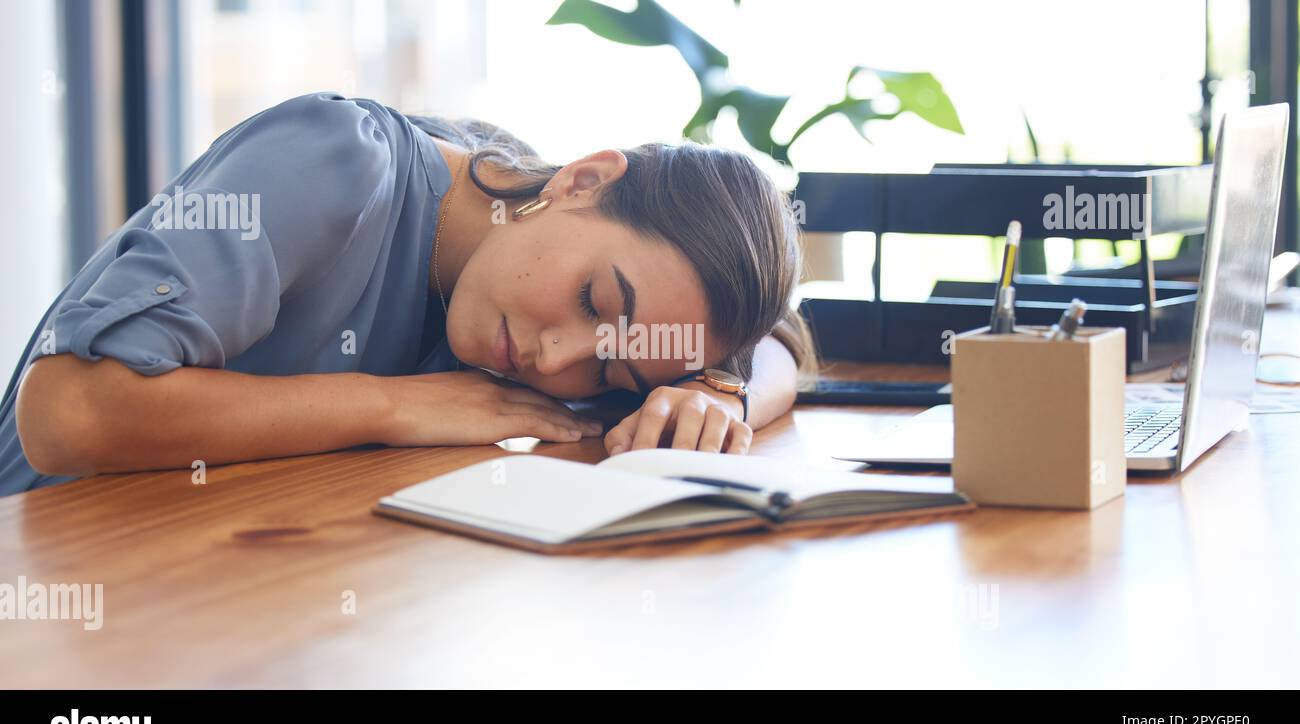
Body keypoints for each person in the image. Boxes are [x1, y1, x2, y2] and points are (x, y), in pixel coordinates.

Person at [0, 92, 816, 496]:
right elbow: (67, 413)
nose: (555, 355)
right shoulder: (340, 161)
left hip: (219, 587)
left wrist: (720, 396)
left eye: (609, 374)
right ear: (584, 179)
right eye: (599, 303)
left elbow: (786, 341)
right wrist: (394, 405)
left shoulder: (530, 286)